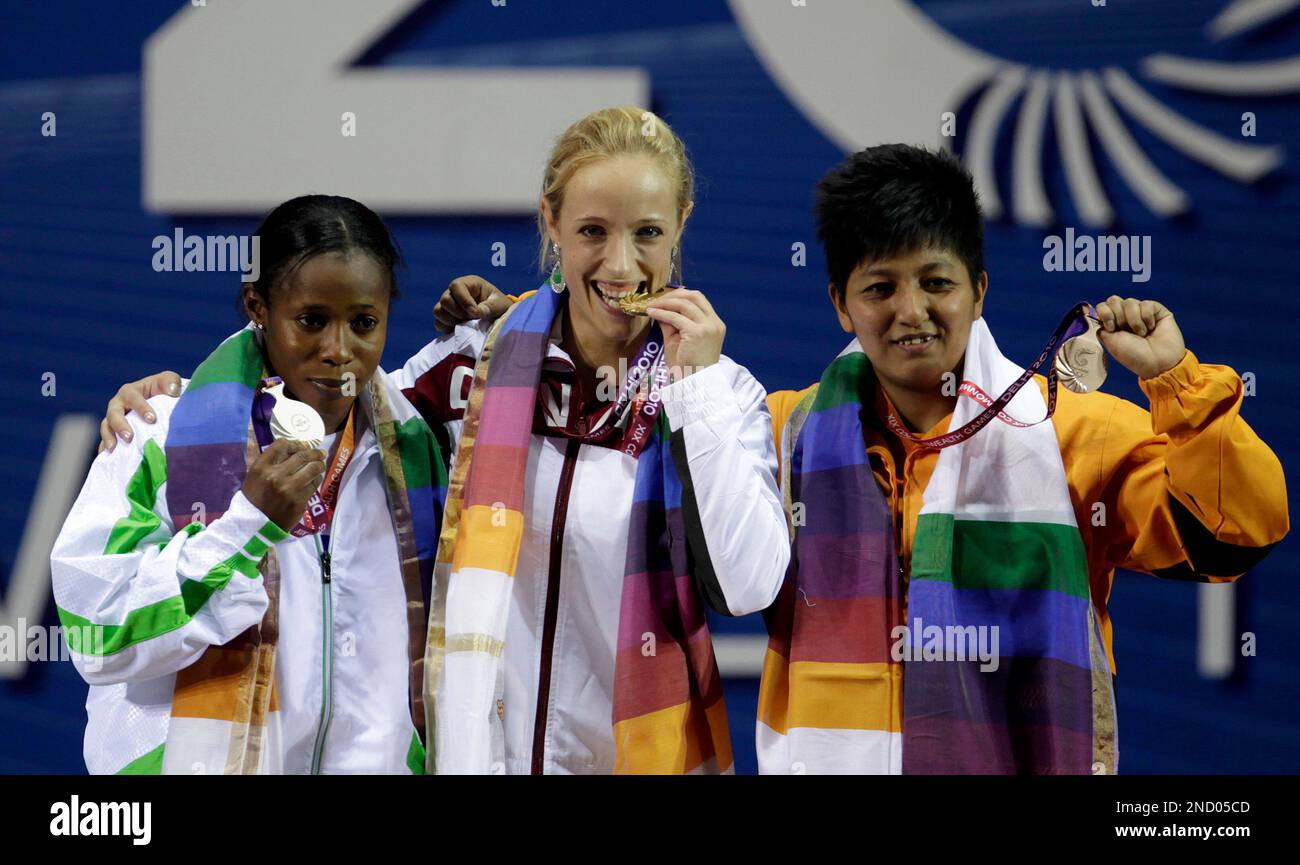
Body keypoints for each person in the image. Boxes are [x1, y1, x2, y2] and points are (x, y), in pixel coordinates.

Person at [426, 144, 1289, 775]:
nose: (911, 312)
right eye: (880, 287)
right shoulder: (784, 431)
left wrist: (1179, 382)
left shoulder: (1066, 432)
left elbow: (1235, 533)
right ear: (840, 302)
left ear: (980, 290)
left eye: (936, 281)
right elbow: (639, 457)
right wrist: (535, 338)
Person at [92, 107, 790, 775]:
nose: (620, 262)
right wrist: (187, 396)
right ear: (550, 221)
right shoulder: (477, 365)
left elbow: (746, 585)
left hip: (643, 755)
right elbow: (338, 395)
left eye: (646, 233)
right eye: (591, 231)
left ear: (681, 226)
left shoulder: (719, 395)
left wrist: (694, 391)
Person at [53, 195, 446, 774]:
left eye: (364, 323)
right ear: (257, 306)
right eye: (311, 320)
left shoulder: (417, 450)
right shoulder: (158, 434)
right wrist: (245, 529)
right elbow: (96, 632)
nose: (339, 351)